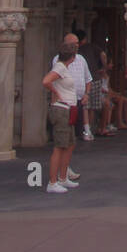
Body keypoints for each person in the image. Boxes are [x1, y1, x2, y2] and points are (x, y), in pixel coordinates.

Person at [42, 45, 81, 193]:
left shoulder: (64, 68)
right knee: (59, 146)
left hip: (69, 110)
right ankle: (52, 182)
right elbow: (46, 81)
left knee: (69, 144)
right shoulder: (59, 68)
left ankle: (63, 178)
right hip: (61, 109)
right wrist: (55, 92)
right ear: (72, 57)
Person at [51, 33, 92, 142]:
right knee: (64, 134)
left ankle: (86, 131)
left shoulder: (81, 59)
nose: (77, 45)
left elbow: (88, 79)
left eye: (78, 43)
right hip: (64, 102)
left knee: (74, 133)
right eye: (74, 43)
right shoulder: (58, 61)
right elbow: (49, 81)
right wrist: (56, 94)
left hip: (79, 99)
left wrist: (86, 94)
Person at [78, 30, 106, 140]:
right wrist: (103, 67)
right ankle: (90, 129)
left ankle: (86, 129)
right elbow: (103, 54)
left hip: (83, 80)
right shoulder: (91, 47)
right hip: (94, 78)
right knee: (92, 107)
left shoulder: (78, 50)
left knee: (85, 105)